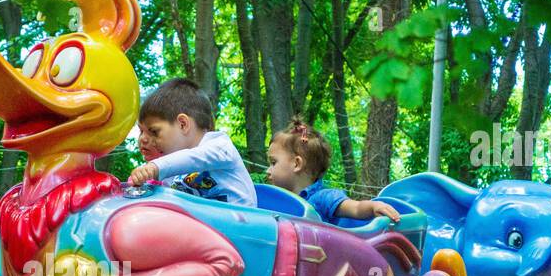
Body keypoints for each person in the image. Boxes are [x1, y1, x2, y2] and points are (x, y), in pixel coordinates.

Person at [127, 78, 258, 206]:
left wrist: (155, 167)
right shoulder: (174, 173)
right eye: (141, 132)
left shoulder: (219, 147)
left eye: (154, 131)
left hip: (241, 222)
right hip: (202, 224)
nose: (143, 139)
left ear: (183, 124)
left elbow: (193, 158)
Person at [266, 118, 400, 224]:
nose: (268, 170)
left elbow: (355, 207)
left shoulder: (323, 198)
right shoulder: (277, 200)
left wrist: (372, 207)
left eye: (273, 163)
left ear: (297, 164)